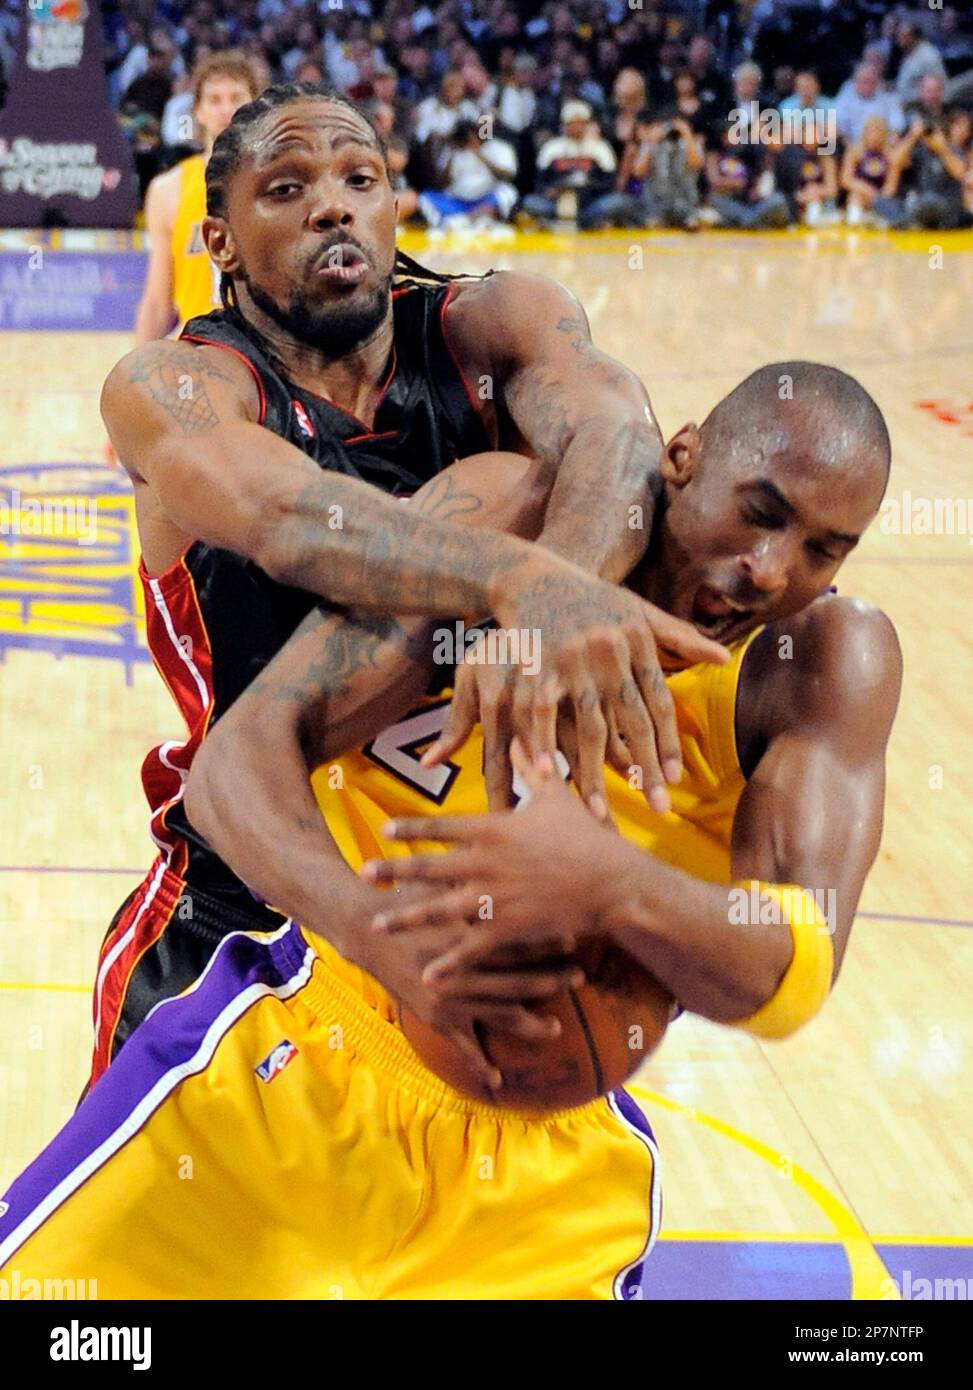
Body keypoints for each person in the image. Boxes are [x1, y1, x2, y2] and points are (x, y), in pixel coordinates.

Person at [0, 363, 901, 1299]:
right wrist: (385, 943)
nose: (771, 568)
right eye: (759, 511)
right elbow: (233, 768)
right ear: (682, 454)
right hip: (301, 1067)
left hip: (547, 1179)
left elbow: (793, 970)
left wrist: (613, 885)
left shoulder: (822, 661)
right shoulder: (507, 514)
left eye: (821, 551)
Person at [89, 82, 722, 1087]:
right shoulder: (174, 386)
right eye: (287, 188)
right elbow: (290, 519)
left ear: (397, 206)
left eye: (359, 179)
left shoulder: (497, 322)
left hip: (465, 890)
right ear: (218, 242)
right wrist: (528, 580)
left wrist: (543, 613)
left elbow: (615, 435)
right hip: (249, 891)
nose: (332, 206)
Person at [520, 100, 620, 228]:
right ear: (564, 125)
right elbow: (539, 182)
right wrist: (550, 191)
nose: (577, 127)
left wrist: (586, 188)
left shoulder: (600, 148)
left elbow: (609, 183)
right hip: (554, 205)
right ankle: (552, 221)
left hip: (589, 206)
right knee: (530, 201)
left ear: (587, 124)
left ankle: (590, 222)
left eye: (581, 123)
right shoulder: (552, 147)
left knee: (616, 202)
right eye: (572, 124)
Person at [705, 119, 789, 230]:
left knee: (779, 200)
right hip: (732, 200)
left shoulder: (753, 154)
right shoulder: (717, 155)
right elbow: (716, 181)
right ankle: (752, 222)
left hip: (753, 204)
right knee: (714, 199)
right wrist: (736, 184)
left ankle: (743, 222)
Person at [840, 115, 896, 227]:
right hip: (860, 193)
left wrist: (878, 198)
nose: (874, 137)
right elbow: (846, 179)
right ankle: (855, 220)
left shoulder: (890, 155)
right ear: (864, 134)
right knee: (855, 196)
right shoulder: (854, 151)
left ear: (884, 135)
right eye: (871, 132)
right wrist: (865, 190)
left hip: (881, 197)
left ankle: (874, 218)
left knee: (884, 204)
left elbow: (891, 186)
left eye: (878, 133)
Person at [834, 61, 905, 144]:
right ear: (854, 81)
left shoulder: (888, 97)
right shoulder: (846, 95)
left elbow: (897, 126)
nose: (865, 85)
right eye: (861, 80)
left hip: (882, 147)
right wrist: (852, 149)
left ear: (877, 82)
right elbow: (839, 127)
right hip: (850, 145)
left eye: (869, 81)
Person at [893, 17, 947, 110]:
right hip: (904, 105)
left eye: (903, 36)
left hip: (920, 108)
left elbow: (939, 86)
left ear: (914, 37)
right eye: (898, 35)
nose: (899, 39)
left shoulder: (929, 56)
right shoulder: (908, 52)